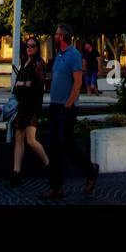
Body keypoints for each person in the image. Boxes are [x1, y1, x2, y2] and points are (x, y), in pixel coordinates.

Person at [40, 23, 100, 200]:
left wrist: (68, 105)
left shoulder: (74, 55)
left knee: (64, 144)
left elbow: (78, 82)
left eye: (57, 34)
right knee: (55, 146)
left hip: (66, 107)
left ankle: (88, 171)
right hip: (55, 105)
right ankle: (57, 186)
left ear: (64, 36)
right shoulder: (59, 55)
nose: (55, 36)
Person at [9, 37, 49, 187]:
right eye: (28, 46)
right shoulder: (25, 62)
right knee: (19, 137)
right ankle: (16, 173)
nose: (30, 48)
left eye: (33, 46)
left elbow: (38, 84)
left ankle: (49, 165)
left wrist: (22, 83)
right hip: (23, 105)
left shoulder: (38, 63)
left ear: (38, 48)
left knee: (30, 140)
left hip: (31, 106)